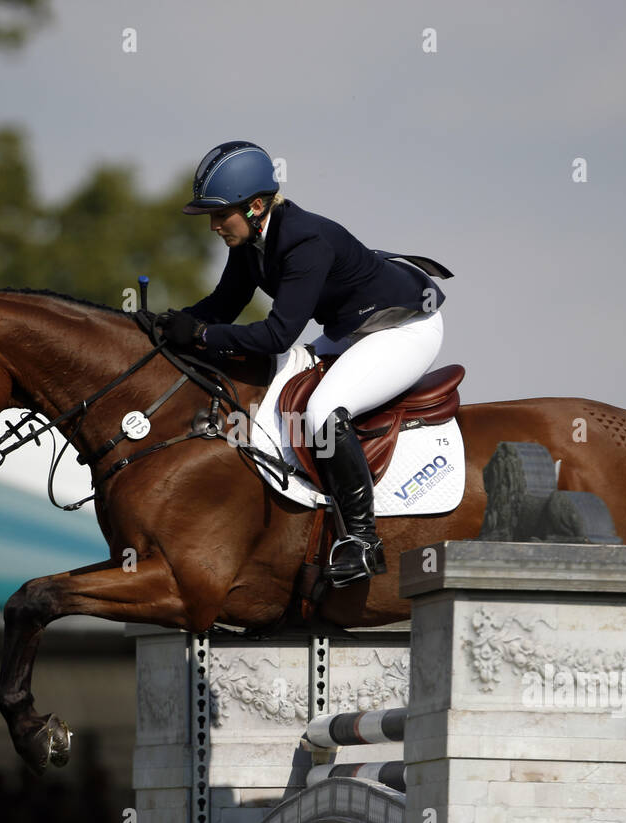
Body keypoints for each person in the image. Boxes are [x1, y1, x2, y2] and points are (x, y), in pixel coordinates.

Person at [159, 141, 450, 587]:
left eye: (220, 215)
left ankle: (362, 540)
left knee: (321, 412)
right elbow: (223, 305)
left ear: (255, 206)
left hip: (404, 328)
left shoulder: (303, 241)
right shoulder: (252, 240)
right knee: (278, 392)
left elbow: (277, 335)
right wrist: (161, 327)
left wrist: (200, 335)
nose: (214, 226)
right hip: (351, 329)